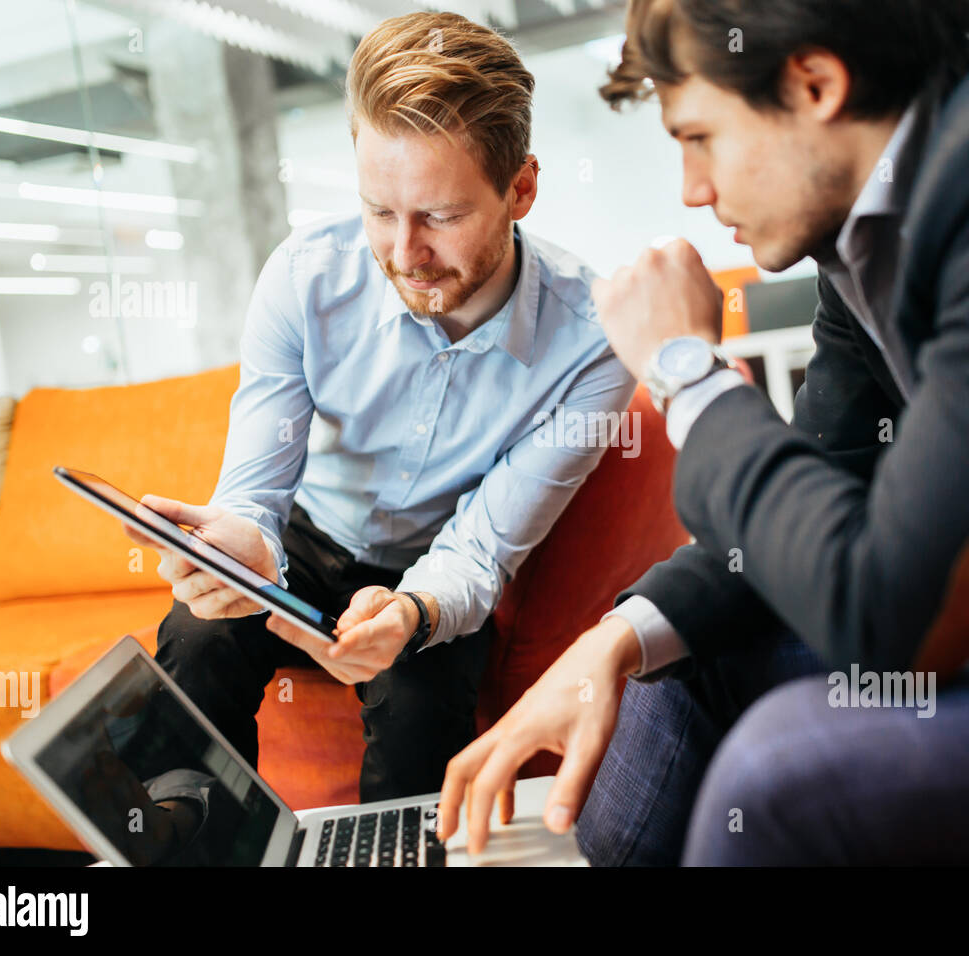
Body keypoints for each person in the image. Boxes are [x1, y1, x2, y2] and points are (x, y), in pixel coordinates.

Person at [438, 0, 969, 865]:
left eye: (700, 136)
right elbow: (829, 468)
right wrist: (618, 637)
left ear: (815, 84)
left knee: (784, 772)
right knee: (669, 664)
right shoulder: (871, 222)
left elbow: (898, 620)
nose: (692, 190)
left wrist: (686, 372)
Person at [125, 11, 633, 814]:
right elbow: (256, 490)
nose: (403, 253)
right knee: (194, 639)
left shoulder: (593, 343)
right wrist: (243, 542)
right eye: (378, 212)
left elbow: (483, 546)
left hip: (433, 559)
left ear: (521, 188)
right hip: (306, 532)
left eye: (441, 216)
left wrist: (411, 610)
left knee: (422, 718)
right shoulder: (302, 278)